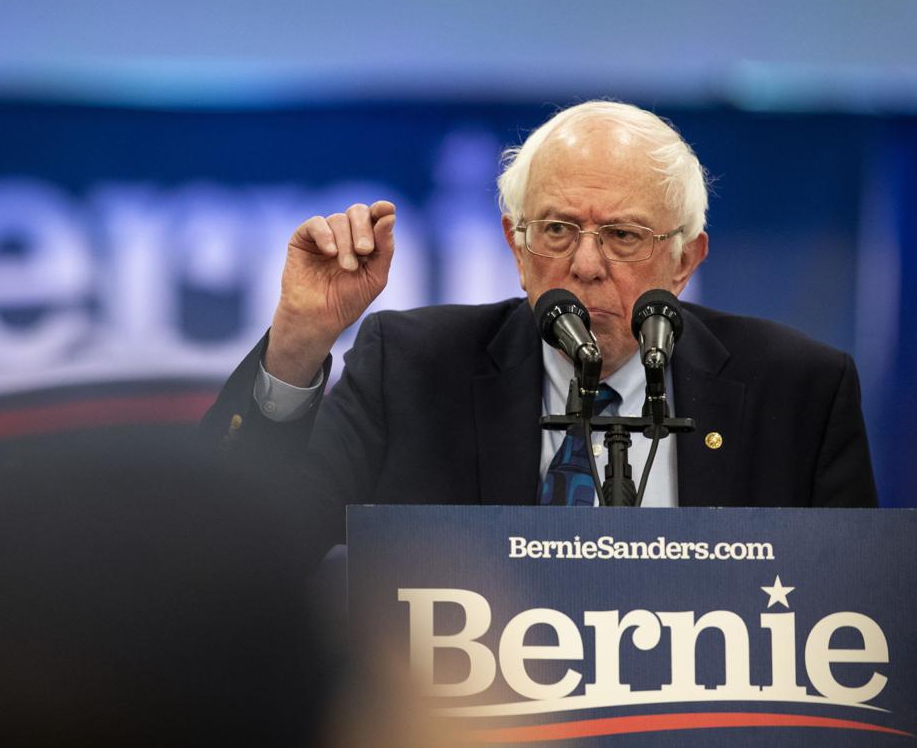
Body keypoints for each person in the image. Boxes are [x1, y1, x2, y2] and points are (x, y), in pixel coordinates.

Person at [202, 100, 877, 546]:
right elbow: (246, 543)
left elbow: (856, 613)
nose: (585, 264)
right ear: (517, 247)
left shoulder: (798, 392)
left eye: (623, 235)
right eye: (556, 229)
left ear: (684, 260)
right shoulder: (409, 367)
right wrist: (300, 338)